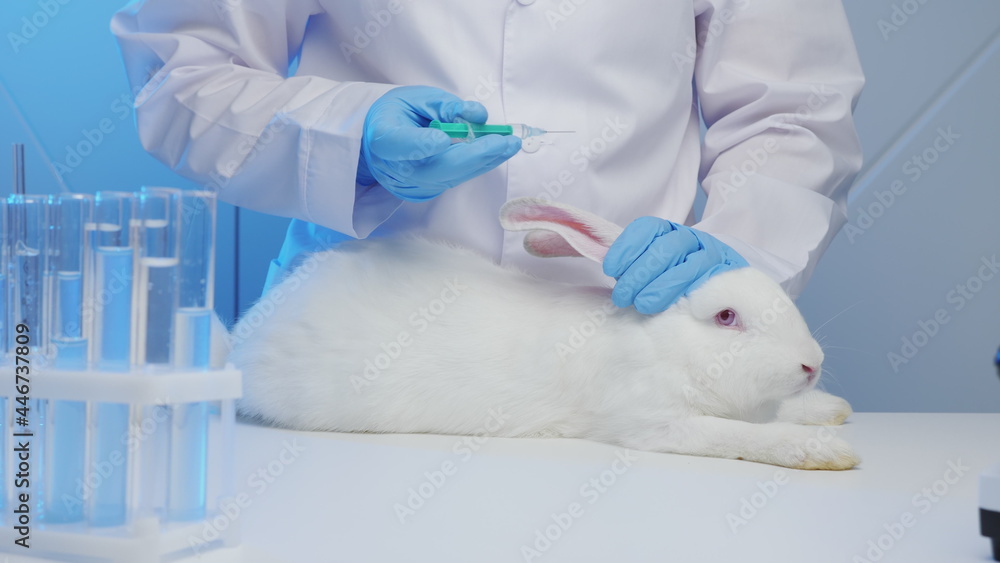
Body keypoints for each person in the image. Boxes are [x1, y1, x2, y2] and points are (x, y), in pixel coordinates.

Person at [111, 0, 864, 313]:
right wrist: (351, 133)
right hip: (351, 353)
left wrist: (734, 258)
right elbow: (183, 75)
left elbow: (793, 107)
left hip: (637, 345)